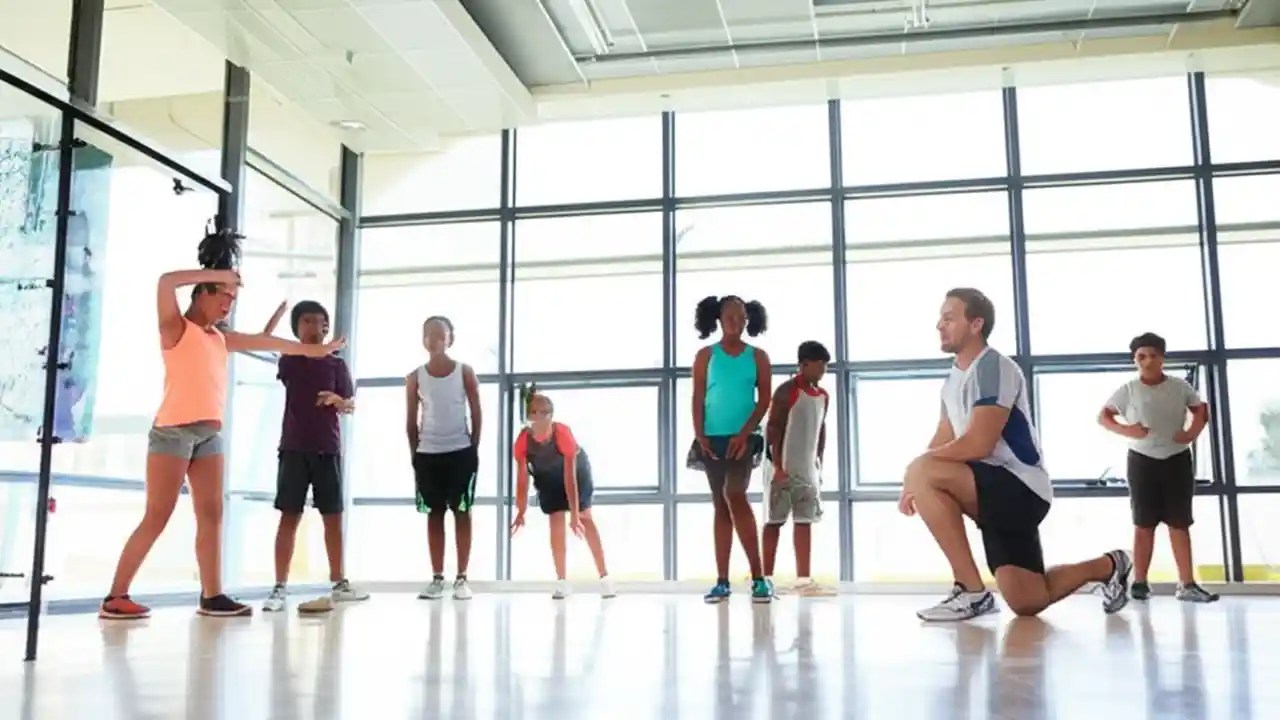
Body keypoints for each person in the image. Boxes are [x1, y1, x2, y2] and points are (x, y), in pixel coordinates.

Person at [99, 230, 344, 620]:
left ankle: (212, 596)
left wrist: (318, 350)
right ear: (201, 293)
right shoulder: (176, 328)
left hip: (209, 435)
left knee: (212, 515)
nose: (228, 305)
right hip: (172, 434)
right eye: (223, 296)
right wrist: (219, 273)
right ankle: (115, 597)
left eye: (232, 299)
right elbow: (165, 282)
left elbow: (282, 346)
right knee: (158, 515)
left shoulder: (220, 339)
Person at [900, 288, 1132, 621]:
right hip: (990, 489)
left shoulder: (993, 367)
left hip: (1019, 489)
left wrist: (919, 472)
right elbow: (944, 437)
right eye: (940, 319)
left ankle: (971, 592)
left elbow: (978, 444)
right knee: (1028, 601)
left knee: (923, 470)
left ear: (976, 324)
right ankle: (1111, 565)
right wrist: (914, 480)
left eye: (949, 318)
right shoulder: (952, 379)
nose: (940, 325)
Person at [260, 300, 369, 614]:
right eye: (306, 321)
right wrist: (276, 316)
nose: (313, 326)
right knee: (289, 517)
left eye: (319, 322)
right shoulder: (291, 360)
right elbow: (266, 342)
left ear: (326, 328)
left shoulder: (336, 365)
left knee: (332, 518)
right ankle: (279, 588)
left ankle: (339, 583)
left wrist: (336, 399)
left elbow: (349, 404)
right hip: (293, 448)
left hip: (328, 449)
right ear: (297, 328)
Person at [1098, 332, 1218, 603]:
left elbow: (1201, 409)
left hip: (1176, 460)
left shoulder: (1179, 387)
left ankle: (1187, 584)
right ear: (1135, 360)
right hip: (1142, 462)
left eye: (1153, 355)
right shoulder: (1128, 389)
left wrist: (1190, 434)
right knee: (1144, 524)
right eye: (1142, 356)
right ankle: (1140, 583)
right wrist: (1127, 429)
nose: (1148, 361)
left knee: (1179, 523)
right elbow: (1103, 416)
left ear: (1162, 358)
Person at [689, 295, 773, 604]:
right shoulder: (705, 356)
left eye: (741, 317)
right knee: (721, 506)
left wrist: (745, 432)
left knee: (734, 494)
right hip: (712, 438)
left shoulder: (758, 357)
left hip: (745, 437)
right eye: (729, 317)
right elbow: (697, 398)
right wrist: (699, 434)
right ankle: (722, 581)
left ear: (747, 320)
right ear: (719, 319)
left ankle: (759, 579)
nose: (735, 323)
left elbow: (764, 400)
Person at [510, 387, 616, 599]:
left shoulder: (562, 433)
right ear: (528, 416)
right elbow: (522, 480)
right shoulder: (522, 441)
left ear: (551, 416)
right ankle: (562, 581)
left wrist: (575, 513)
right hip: (547, 475)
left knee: (585, 518)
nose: (539, 416)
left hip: (576, 472)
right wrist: (520, 511)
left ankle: (605, 579)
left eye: (544, 412)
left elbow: (570, 478)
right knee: (556, 519)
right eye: (534, 412)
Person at [406, 316, 482, 601]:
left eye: (440, 334)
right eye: (429, 334)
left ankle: (462, 578)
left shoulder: (465, 372)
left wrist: (473, 447)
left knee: (462, 512)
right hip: (428, 454)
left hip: (461, 451)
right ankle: (437, 578)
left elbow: (476, 411)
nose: (435, 339)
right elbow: (410, 420)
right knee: (433, 514)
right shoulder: (414, 377)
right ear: (423, 340)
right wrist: (414, 454)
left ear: (450, 338)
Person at [762, 340, 835, 598]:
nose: (823, 370)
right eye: (819, 365)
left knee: (805, 521)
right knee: (774, 522)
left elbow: (820, 428)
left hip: (808, 470)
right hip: (782, 469)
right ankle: (764, 579)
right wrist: (777, 466)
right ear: (804, 364)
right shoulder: (786, 391)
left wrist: (819, 460)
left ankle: (803, 580)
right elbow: (773, 430)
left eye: (825, 365)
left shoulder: (823, 396)